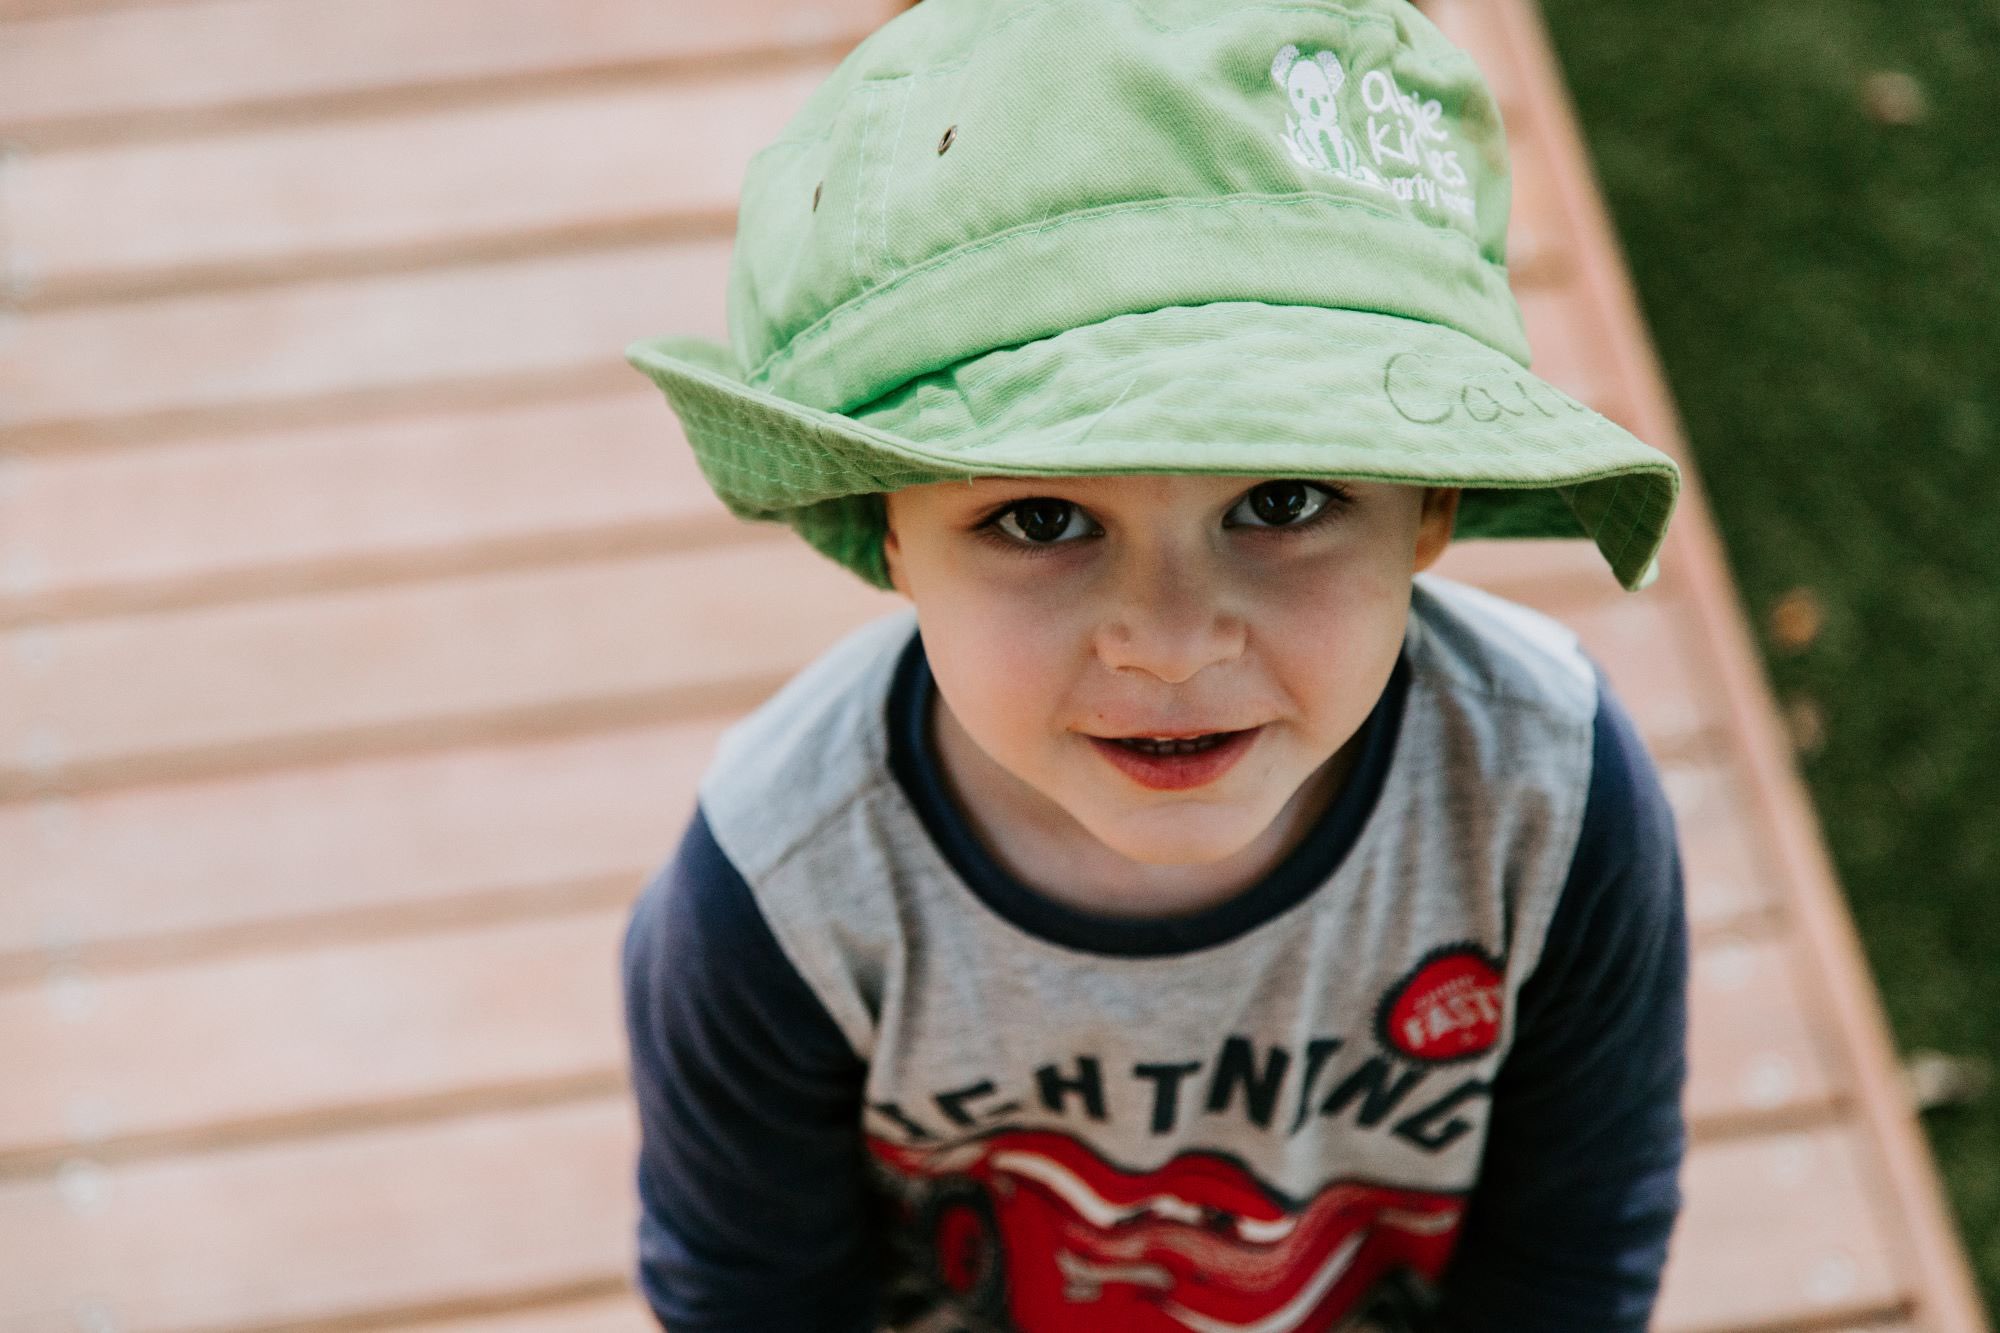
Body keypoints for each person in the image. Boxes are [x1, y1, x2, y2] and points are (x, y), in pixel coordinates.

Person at [617, 0, 1689, 1328]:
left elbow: (1571, 1256)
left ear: (1430, 504)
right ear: (881, 525)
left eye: (1284, 501)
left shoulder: (1550, 801)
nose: (1175, 642)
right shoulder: (783, 883)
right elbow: (752, 1294)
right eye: (1042, 517)